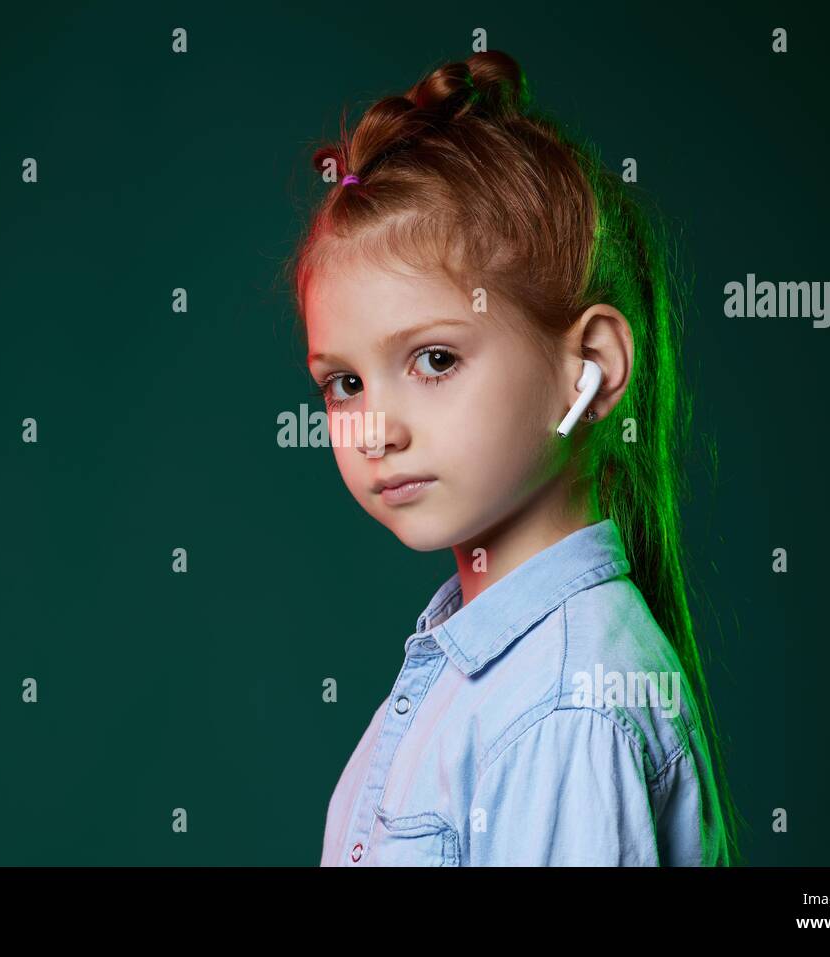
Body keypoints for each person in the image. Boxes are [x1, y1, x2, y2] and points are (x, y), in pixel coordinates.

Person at [289, 49, 742, 866]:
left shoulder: (564, 709)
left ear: (591, 365)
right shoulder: (480, 670)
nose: (375, 429)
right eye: (346, 382)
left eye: (434, 360)